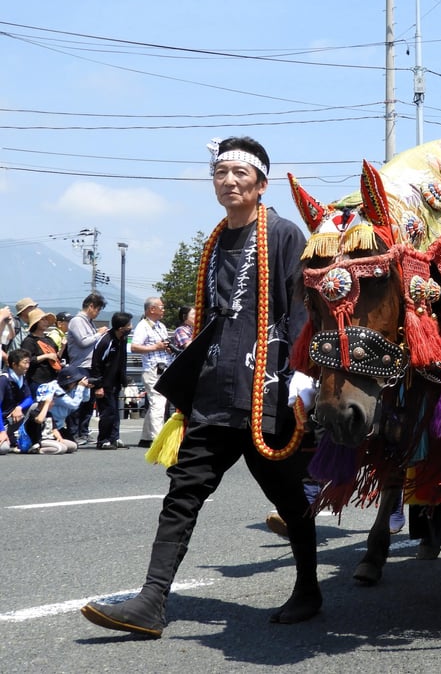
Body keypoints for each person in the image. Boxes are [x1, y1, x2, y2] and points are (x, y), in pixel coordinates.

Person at [81, 135, 319, 638]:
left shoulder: (283, 234)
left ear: (261, 185)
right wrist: (186, 394)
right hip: (213, 395)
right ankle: (151, 600)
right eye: (221, 173)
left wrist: (303, 374)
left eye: (241, 175)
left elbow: (300, 307)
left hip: (266, 393)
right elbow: (209, 321)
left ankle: (309, 587)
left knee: (287, 496)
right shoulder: (213, 243)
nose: (229, 182)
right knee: (182, 494)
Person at [65, 293, 108, 444]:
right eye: (97, 309)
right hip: (80, 366)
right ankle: (74, 433)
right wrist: (99, 334)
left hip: (90, 366)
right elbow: (83, 342)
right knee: (77, 401)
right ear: (91, 306)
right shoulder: (77, 321)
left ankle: (83, 432)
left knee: (88, 402)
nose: (98, 313)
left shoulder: (89, 322)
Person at [130, 296, 173, 448]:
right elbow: (134, 347)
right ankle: (157, 439)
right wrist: (155, 347)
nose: (163, 310)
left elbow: (164, 344)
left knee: (158, 403)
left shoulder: (160, 326)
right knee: (158, 403)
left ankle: (146, 437)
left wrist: (167, 347)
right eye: (161, 307)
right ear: (151, 309)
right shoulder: (143, 326)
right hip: (152, 369)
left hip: (164, 367)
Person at [91, 311, 133, 450]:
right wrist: (98, 385)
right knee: (107, 412)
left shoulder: (121, 339)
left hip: (115, 382)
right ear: (120, 328)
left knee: (115, 411)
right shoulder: (106, 341)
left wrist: (123, 380)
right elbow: (96, 364)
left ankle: (114, 438)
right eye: (128, 325)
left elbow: (122, 361)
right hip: (104, 383)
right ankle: (103, 440)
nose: (130, 327)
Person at [24, 365, 89, 454]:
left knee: (73, 446)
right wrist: (47, 403)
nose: (76, 383)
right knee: (61, 448)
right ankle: (38, 448)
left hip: (57, 427)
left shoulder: (71, 389)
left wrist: (86, 387)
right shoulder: (55, 390)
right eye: (75, 381)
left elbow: (85, 399)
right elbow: (74, 404)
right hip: (41, 433)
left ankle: (52, 444)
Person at [20, 309, 60, 397]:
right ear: (36, 322)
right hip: (37, 380)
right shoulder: (29, 341)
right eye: (43, 319)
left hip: (52, 379)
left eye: (46, 319)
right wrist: (46, 356)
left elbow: (56, 356)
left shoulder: (49, 339)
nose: (46, 322)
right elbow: (27, 360)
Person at [1, 349, 33, 454]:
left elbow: (29, 398)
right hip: (2, 422)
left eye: (28, 362)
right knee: (3, 449)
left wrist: (19, 407)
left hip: (11, 420)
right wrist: (1, 431)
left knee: (34, 406)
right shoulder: (4, 380)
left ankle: (20, 437)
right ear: (14, 364)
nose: (27, 366)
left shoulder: (22, 378)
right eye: (25, 362)